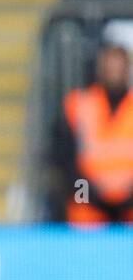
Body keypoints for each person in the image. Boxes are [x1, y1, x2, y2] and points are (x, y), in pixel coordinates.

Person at [52, 42, 133, 224]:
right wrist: (93, 197)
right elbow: (65, 161)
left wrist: (125, 200)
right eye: (110, 67)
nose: (115, 72)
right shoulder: (79, 105)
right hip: (88, 206)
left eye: (119, 67)